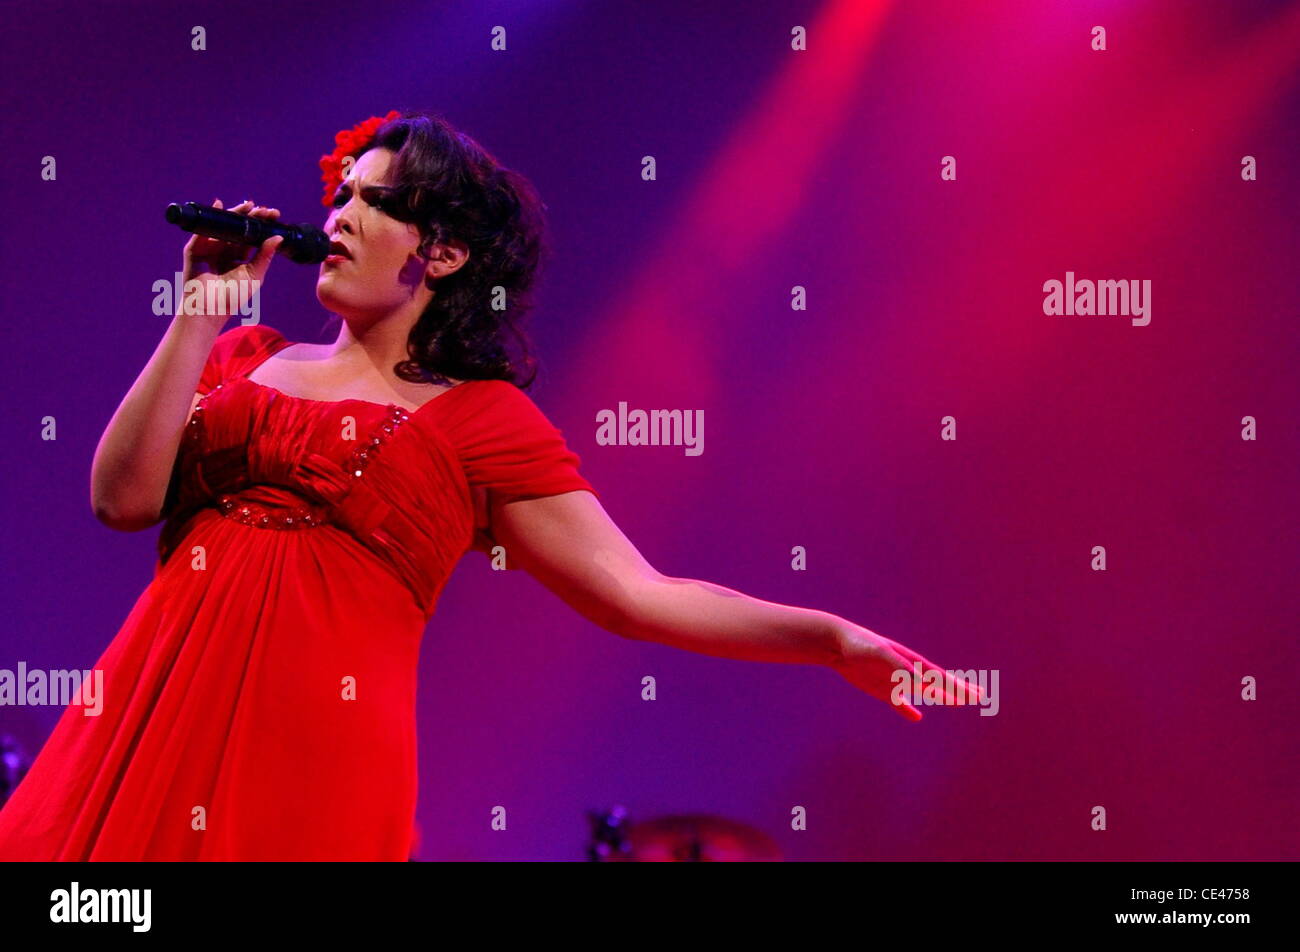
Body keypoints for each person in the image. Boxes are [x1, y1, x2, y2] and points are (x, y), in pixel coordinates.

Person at [0, 111, 978, 861]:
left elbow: (637, 595)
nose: (337, 213)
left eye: (373, 200)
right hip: (142, 719)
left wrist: (826, 636)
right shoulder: (243, 356)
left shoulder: (480, 422)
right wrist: (195, 318)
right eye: (340, 193)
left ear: (445, 251)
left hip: (314, 753)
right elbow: (120, 500)